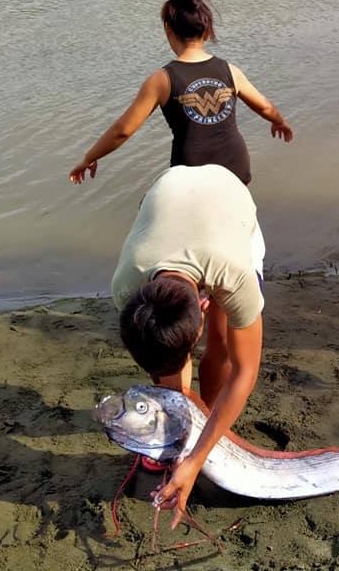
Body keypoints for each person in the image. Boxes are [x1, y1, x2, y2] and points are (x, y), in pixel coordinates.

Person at [111, 164, 266, 527]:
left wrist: (198, 460)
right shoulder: (126, 286)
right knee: (165, 353)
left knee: (224, 345)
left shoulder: (234, 275)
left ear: (202, 308)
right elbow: (160, 350)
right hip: (169, 190)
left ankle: (208, 430)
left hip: (229, 200)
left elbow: (246, 371)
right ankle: (187, 434)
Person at [69, 0, 292, 187]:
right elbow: (265, 107)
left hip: (189, 172)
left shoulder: (161, 80)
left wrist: (89, 158)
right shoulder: (230, 70)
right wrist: (278, 121)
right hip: (236, 166)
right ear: (207, 30)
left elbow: (123, 131)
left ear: (168, 29)